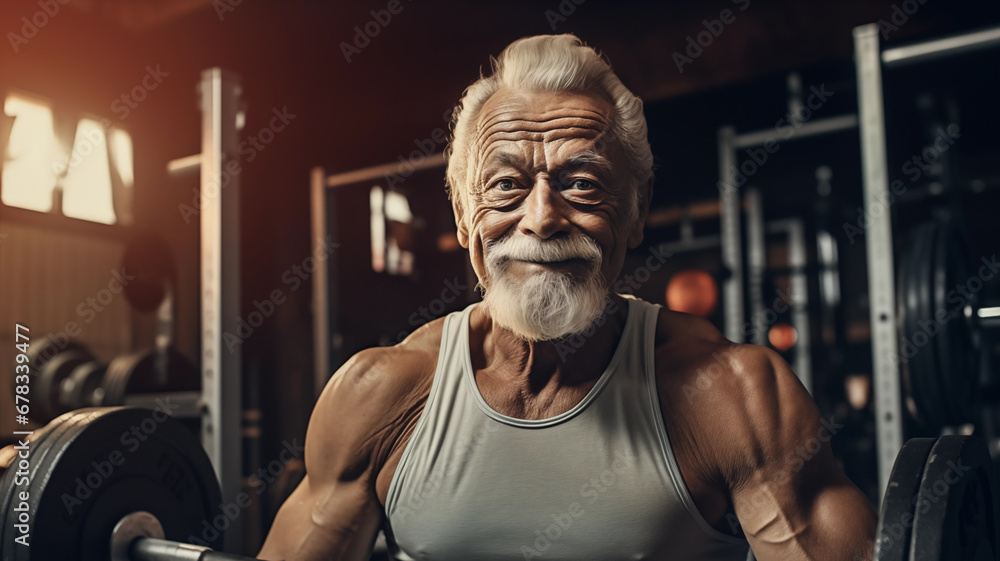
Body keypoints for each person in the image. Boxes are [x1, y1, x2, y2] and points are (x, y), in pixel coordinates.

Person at [258, 34, 877, 561]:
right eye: (506, 185)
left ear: (635, 214)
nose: (542, 218)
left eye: (581, 184)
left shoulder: (736, 397)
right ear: (463, 215)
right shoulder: (380, 397)